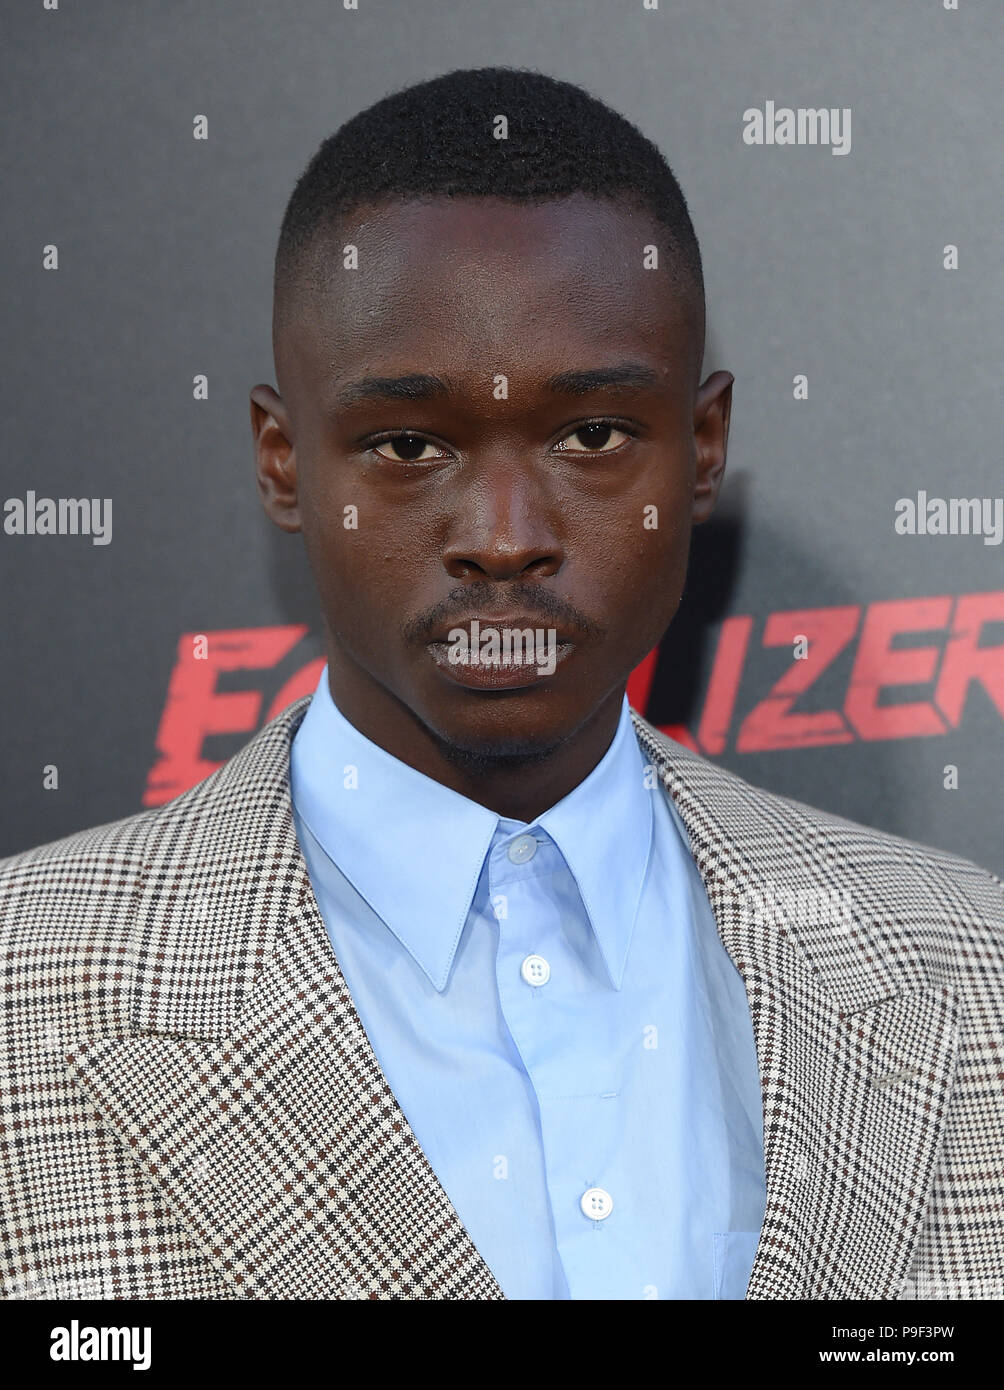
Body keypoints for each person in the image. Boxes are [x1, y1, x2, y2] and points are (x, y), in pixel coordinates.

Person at [2, 67, 1001, 1303]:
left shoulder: (970, 966)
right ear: (281, 461)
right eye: (408, 445)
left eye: (590, 435)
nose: (505, 535)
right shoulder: (22, 985)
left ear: (700, 448)